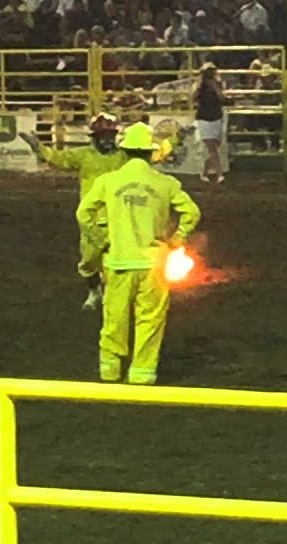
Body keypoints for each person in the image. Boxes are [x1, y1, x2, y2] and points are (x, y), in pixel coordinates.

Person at [76, 122, 201, 385]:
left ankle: (109, 371)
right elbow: (192, 212)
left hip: (118, 261)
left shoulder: (108, 182)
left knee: (114, 318)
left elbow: (83, 213)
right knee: (150, 320)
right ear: (148, 152)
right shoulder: (165, 183)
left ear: (127, 151)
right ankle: (142, 374)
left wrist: (102, 239)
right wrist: (177, 239)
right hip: (154, 263)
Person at [21, 113, 175, 310]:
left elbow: (154, 153)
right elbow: (57, 159)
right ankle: (95, 290)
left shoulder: (125, 155)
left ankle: (118, 294)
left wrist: (173, 140)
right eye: (103, 136)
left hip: (120, 215)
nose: (107, 140)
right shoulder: (84, 155)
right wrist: (38, 147)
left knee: (123, 257)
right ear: (95, 138)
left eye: (110, 136)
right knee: (89, 259)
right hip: (93, 217)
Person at [193, 62, 227, 183]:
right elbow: (193, 97)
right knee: (212, 147)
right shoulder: (199, 85)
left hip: (216, 117)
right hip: (204, 118)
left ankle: (203, 172)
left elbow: (222, 98)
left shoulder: (217, 84)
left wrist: (216, 85)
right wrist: (199, 84)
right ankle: (219, 173)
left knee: (214, 146)